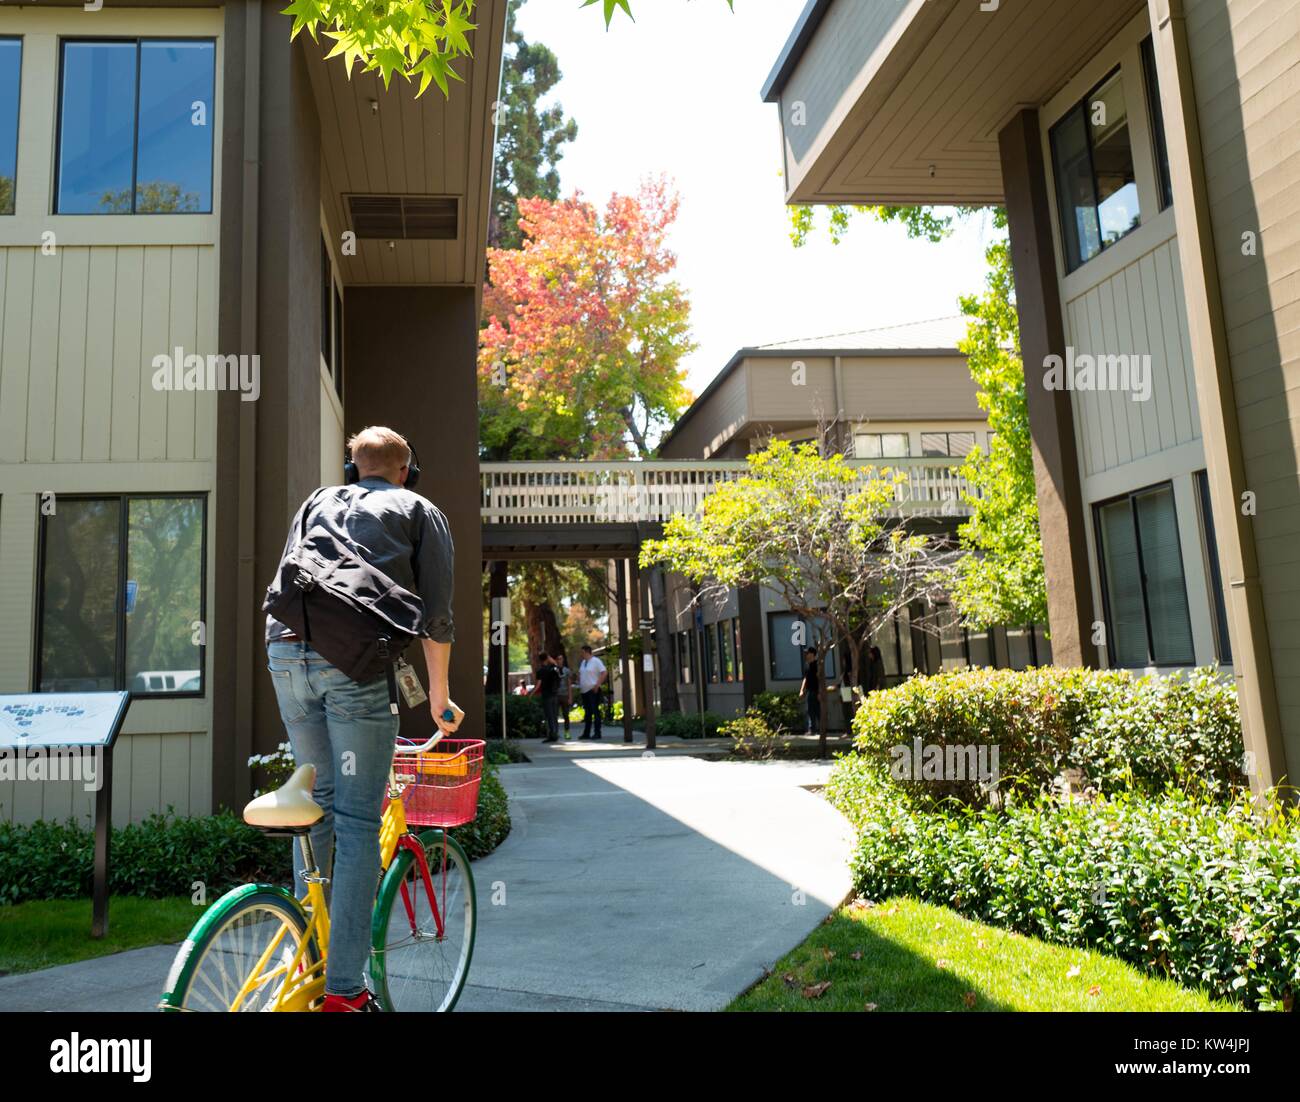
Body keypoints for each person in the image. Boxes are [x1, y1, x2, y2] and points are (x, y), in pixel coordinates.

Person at [264, 426, 461, 1014]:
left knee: (316, 806)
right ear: (406, 469)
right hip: (351, 665)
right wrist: (439, 697)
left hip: (283, 655)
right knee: (355, 821)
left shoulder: (315, 501)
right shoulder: (420, 510)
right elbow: (437, 616)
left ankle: (311, 959)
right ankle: (345, 993)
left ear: (353, 468)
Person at [529, 652, 562, 742]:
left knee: (549, 715)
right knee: (554, 715)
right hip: (554, 694)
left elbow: (538, 685)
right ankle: (555, 733)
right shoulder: (553, 668)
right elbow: (558, 669)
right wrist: (552, 660)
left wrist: (531, 694)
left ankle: (552, 734)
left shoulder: (540, 671)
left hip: (546, 695)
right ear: (547, 658)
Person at [577, 644, 607, 740]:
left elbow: (604, 672)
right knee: (588, 713)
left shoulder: (596, 661)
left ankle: (597, 733)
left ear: (587, 652)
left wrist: (597, 684)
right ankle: (586, 733)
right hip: (584, 691)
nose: (581, 654)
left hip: (593, 690)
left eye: (582, 652)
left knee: (595, 711)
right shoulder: (583, 662)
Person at [798, 647, 821, 734]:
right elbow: (805, 679)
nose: (806, 655)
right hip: (810, 691)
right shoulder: (808, 666)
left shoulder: (817, 665)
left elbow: (820, 679)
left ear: (812, 654)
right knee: (810, 710)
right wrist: (802, 690)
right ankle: (812, 729)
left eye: (808, 653)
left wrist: (820, 692)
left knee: (818, 711)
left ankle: (821, 729)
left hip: (816, 691)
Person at [556, 653, 574, 740]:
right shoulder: (554, 670)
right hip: (556, 695)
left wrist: (570, 697)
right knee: (555, 715)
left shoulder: (567, 671)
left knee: (566, 715)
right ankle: (555, 732)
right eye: (558, 659)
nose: (560, 661)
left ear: (563, 660)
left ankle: (567, 732)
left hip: (565, 695)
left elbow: (569, 684)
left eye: (561, 659)